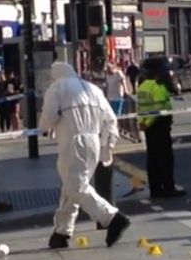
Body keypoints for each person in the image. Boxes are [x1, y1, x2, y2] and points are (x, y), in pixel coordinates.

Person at [39, 62, 131, 248]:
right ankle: (62, 232)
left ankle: (112, 218)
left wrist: (45, 129)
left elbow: (49, 115)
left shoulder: (57, 87)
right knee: (71, 186)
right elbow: (111, 119)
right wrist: (107, 145)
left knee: (77, 187)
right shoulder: (93, 89)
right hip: (93, 142)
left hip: (72, 142)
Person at [137, 60, 186, 199]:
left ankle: (155, 189)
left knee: (152, 158)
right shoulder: (159, 87)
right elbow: (159, 109)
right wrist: (149, 122)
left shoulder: (142, 87)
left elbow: (140, 108)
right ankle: (168, 188)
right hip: (159, 125)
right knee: (165, 158)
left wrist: (143, 123)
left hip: (148, 127)